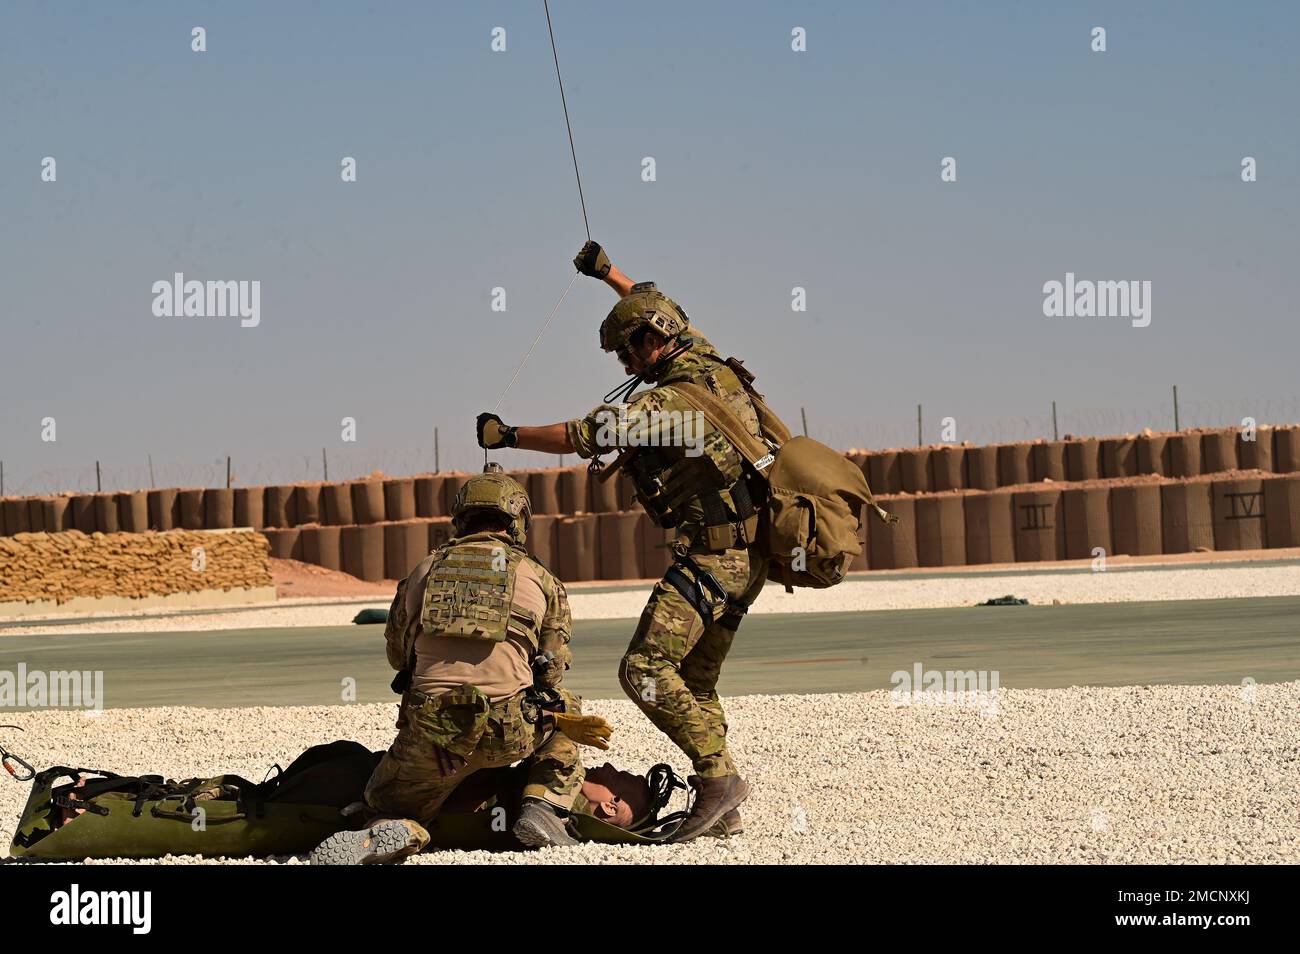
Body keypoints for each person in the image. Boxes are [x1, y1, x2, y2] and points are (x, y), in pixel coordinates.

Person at [476, 241, 770, 842]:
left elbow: (585, 435)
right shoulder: (707, 362)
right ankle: (723, 803)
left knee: (643, 670)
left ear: (648, 341)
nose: (624, 368)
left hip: (716, 557)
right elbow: (648, 301)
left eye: (624, 353)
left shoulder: (665, 404)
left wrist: (507, 436)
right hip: (750, 554)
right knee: (695, 680)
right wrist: (607, 273)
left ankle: (718, 780)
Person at [311, 464, 610, 864]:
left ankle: (395, 828)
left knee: (386, 805)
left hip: (434, 732)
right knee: (564, 706)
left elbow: (398, 658)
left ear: (460, 518)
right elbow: (551, 671)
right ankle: (543, 805)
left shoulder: (423, 570)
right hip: (510, 732)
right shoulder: (541, 578)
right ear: (518, 520)